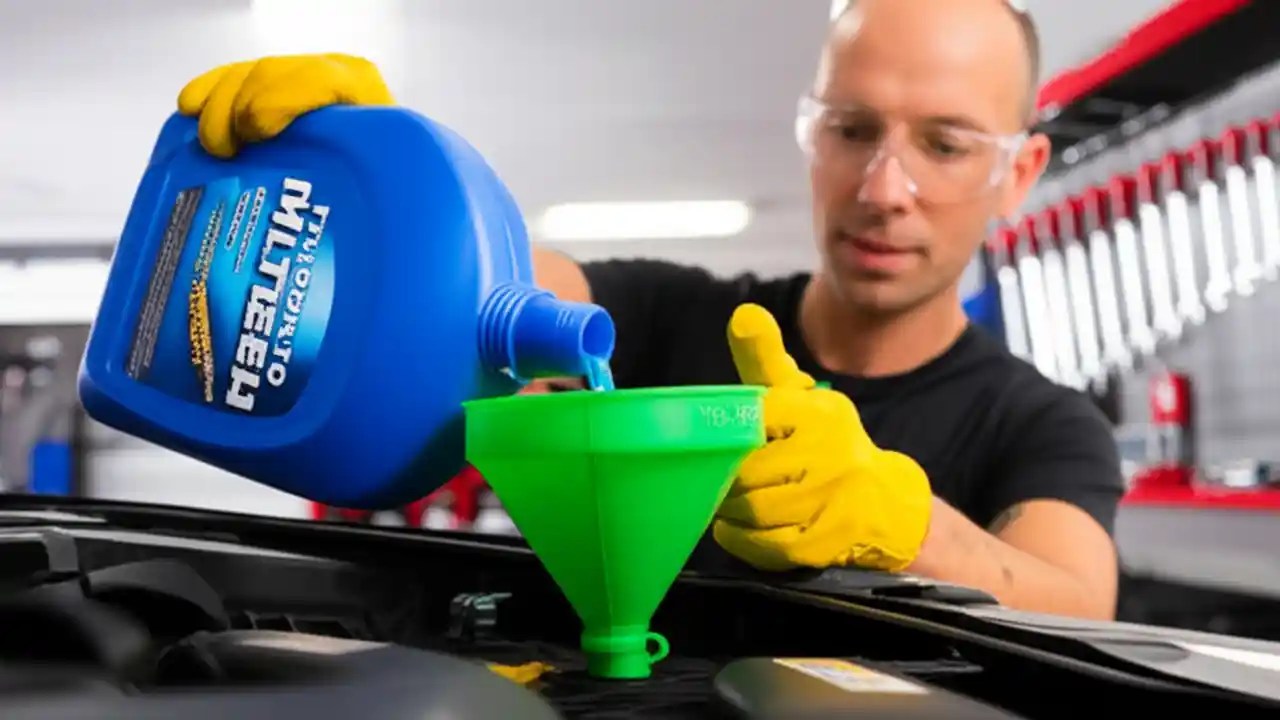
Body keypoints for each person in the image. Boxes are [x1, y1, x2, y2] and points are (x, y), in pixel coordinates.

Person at [173, 0, 1124, 620]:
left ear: (1018, 175)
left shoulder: (1044, 425)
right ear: (812, 137)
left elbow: (1080, 602)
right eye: (853, 130)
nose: (885, 187)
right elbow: (488, 295)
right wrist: (380, 188)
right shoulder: (663, 314)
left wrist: (903, 518)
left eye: (946, 145)